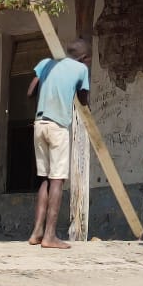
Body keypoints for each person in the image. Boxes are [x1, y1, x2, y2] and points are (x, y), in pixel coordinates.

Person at [26, 38, 92, 249]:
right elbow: (83, 100)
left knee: (44, 179)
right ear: (84, 57)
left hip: (39, 124)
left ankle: (36, 232)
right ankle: (50, 236)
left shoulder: (46, 63)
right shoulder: (81, 69)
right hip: (57, 127)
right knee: (57, 180)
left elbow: (29, 92)